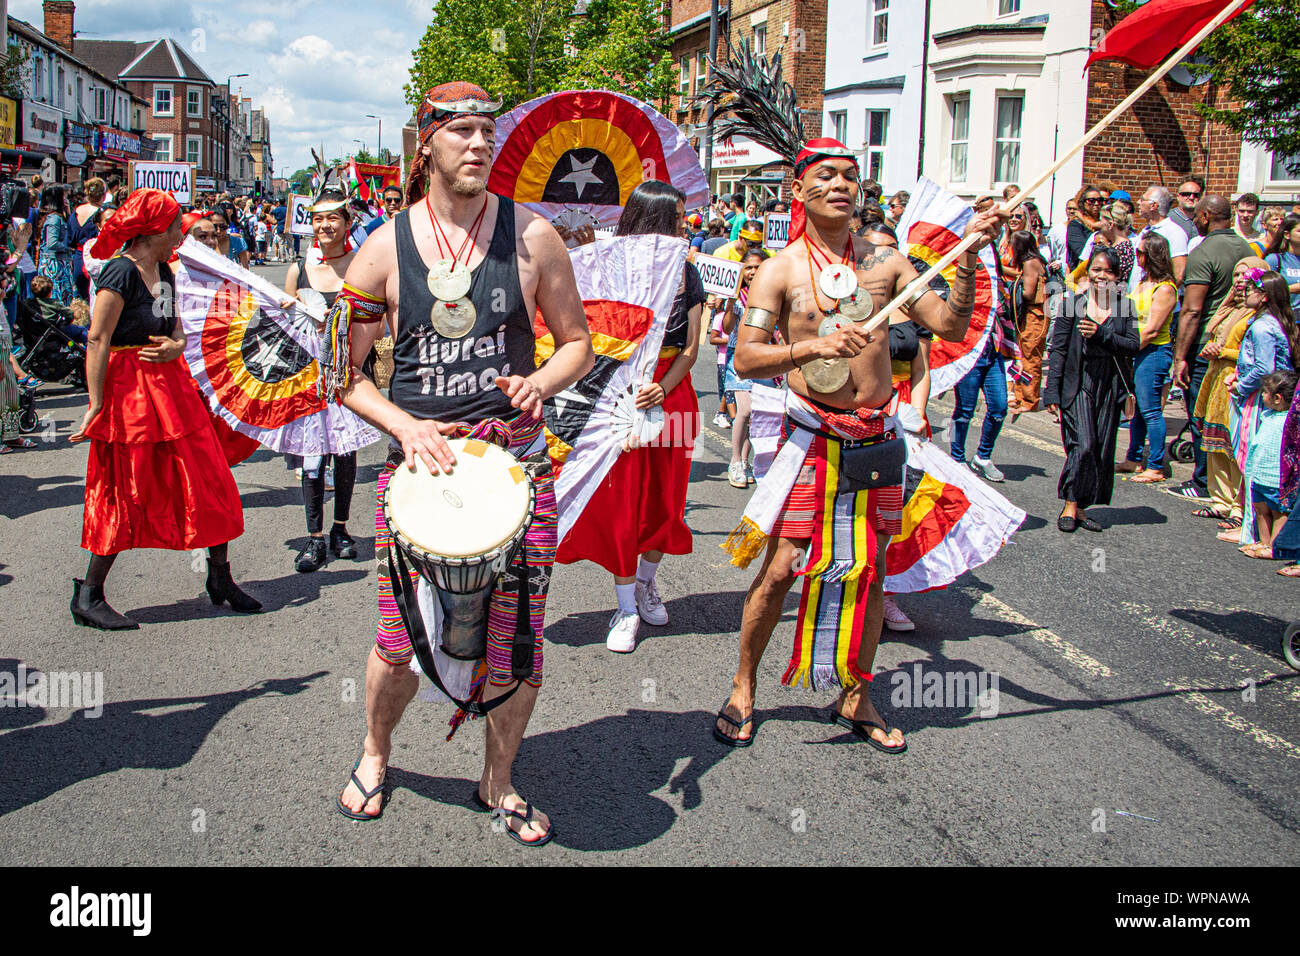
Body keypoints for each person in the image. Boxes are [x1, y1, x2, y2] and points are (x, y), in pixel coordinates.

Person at [330, 82, 593, 844]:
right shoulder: (382, 247)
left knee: (519, 638)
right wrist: (406, 425)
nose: (477, 145)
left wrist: (540, 381)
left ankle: (498, 778)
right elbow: (340, 376)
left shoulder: (535, 237)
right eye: (461, 132)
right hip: (419, 472)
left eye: (487, 132)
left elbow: (577, 340)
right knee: (398, 641)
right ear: (427, 145)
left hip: (515, 469)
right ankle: (377, 753)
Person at [714, 136, 1004, 752]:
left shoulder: (888, 264)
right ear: (799, 190)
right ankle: (744, 683)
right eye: (825, 175)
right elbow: (745, 357)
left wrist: (971, 259)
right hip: (813, 440)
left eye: (851, 175)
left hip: (876, 442)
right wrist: (813, 347)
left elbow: (949, 326)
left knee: (870, 574)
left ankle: (856, 693)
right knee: (781, 570)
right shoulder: (780, 270)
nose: (842, 185)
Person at [67, 188, 260, 631]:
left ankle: (220, 579)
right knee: (125, 489)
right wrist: (96, 404)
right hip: (128, 389)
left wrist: (176, 346)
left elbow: (173, 325)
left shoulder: (165, 270)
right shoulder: (120, 273)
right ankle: (90, 593)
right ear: (153, 230)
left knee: (209, 477)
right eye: (175, 226)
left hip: (170, 386)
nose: (181, 232)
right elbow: (98, 339)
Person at [556, 181, 703, 653]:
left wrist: (666, 383)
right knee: (623, 501)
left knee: (666, 499)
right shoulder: (611, 263)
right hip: (617, 397)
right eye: (677, 218)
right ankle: (624, 607)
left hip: (673, 396)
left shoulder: (687, 271)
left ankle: (646, 583)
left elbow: (693, 346)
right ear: (653, 221)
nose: (686, 226)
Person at [282, 187, 363, 572]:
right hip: (309, 378)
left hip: (349, 374)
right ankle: (313, 538)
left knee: (345, 454)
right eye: (318, 218)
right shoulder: (299, 268)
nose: (324, 225)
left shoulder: (362, 265)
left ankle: (340, 529)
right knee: (312, 457)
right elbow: (286, 327)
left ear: (347, 222)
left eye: (333, 217)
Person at [1045, 247, 1140, 533]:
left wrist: (1103, 334)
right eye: (1096, 270)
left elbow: (1133, 345)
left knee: (1099, 450)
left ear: (1118, 276)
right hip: (1079, 382)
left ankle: (1083, 507)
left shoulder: (1125, 306)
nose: (1101, 276)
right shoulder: (1073, 304)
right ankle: (1070, 504)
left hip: (1109, 384)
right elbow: (1059, 349)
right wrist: (1051, 392)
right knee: (1083, 444)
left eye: (1108, 271)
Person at [1170, 195, 1254, 503]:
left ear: (1206, 216)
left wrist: (1180, 357)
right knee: (1228, 417)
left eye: (1197, 215)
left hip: (1207, 346)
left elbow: (1192, 310)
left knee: (1201, 413)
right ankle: (1228, 485)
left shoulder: (1203, 252)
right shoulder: (1247, 249)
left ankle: (1204, 481)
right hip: (1240, 344)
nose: (1194, 220)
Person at [1194, 256, 1268, 528]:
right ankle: (1220, 501)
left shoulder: (1258, 315)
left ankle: (1239, 506)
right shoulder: (1228, 309)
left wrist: (1222, 351)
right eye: (1236, 275)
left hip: (1238, 383)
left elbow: (1255, 356)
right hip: (1216, 379)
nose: (1239, 281)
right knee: (1214, 444)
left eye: (1246, 276)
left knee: (1236, 446)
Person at [1115, 233, 1178, 483]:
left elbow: (1152, 329)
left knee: (1151, 410)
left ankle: (1156, 466)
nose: (1137, 257)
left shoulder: (1166, 288)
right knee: (1138, 410)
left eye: (1141, 252)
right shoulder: (1143, 282)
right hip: (1137, 350)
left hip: (1153, 352)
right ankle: (1133, 458)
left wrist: (1126, 348)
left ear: (1153, 255)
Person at [721, 250, 768, 487]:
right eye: (748, 267)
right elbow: (727, 329)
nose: (752, 272)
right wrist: (730, 302)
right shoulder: (737, 298)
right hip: (738, 359)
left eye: (758, 267)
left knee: (757, 414)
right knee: (746, 410)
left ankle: (747, 461)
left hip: (763, 360)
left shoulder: (770, 295)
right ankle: (735, 461)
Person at [1239, 370, 1296, 558]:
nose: (1262, 395)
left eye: (1264, 392)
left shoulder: (1291, 420)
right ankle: (1263, 542)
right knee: (1260, 508)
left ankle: (1274, 546)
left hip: (1277, 476)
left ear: (1277, 398)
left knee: (1278, 511)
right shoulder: (1267, 415)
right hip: (1259, 471)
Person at [1004, 230, 1048, 414]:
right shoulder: (1035, 261)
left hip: (1034, 315)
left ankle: (1029, 401)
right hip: (1030, 315)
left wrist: (1011, 290)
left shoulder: (1030, 264)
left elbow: (1028, 293)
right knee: (1022, 356)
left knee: (1030, 359)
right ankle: (1020, 396)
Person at [1134, 186, 1188, 285]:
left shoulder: (1174, 232)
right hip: (1139, 296)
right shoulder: (1145, 230)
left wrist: (1162, 295)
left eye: (1142, 200)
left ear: (1153, 205)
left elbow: (1179, 273)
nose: (1138, 202)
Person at [37, 189, 75, 305]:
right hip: (54, 265)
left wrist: (68, 213)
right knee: (57, 300)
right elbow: (52, 243)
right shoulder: (54, 219)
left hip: (57, 263)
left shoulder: (58, 217)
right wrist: (68, 249)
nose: (66, 200)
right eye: (63, 196)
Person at [70, 178, 105, 301]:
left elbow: (69, 239)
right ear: (103, 196)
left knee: (80, 299)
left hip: (78, 259)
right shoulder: (101, 214)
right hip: (95, 260)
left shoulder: (76, 211)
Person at [1263, 214, 1300, 311]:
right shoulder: (1275, 260)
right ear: (1287, 235)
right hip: (1284, 317)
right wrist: (1290, 289)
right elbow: (1263, 290)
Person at [1067, 185, 1104, 270]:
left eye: (1100, 200)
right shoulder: (1075, 224)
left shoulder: (1104, 222)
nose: (1097, 204)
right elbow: (1080, 251)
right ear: (1082, 203)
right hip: (1082, 274)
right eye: (1091, 201)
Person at [1168, 176, 1204, 241]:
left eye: (1196, 195)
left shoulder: (1204, 219)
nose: (1191, 197)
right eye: (1186, 194)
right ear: (1178, 197)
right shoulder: (1168, 219)